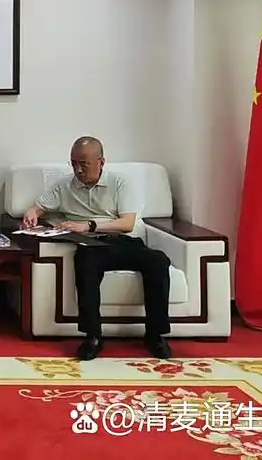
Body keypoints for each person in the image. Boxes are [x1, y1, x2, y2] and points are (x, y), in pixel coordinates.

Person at [20, 136, 172, 360]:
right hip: (91, 245)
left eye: (84, 164)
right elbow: (37, 207)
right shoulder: (64, 186)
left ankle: (155, 335)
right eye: (73, 163)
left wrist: (89, 225)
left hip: (122, 240)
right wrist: (31, 214)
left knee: (158, 261)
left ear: (101, 162)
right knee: (86, 262)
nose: (78, 170)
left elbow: (127, 223)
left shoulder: (119, 183)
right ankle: (93, 336)